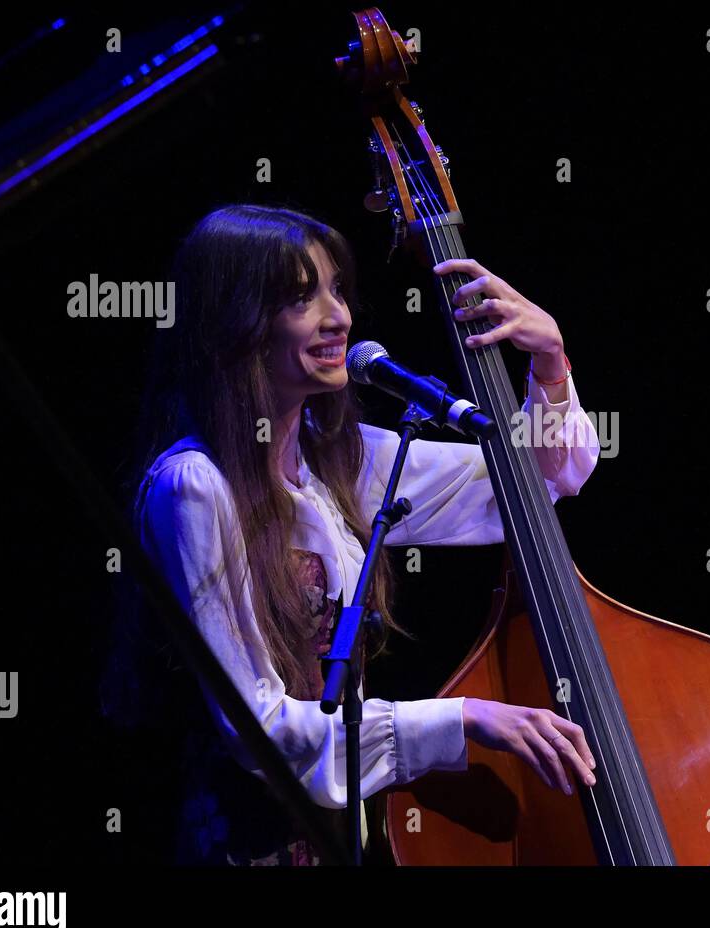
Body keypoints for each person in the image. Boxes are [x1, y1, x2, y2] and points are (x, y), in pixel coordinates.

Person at [131, 204, 599, 864]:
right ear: (238, 323)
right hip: (244, 844)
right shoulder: (193, 487)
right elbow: (257, 726)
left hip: (343, 834)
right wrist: (464, 717)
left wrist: (550, 362)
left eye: (337, 289)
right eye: (302, 297)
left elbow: (537, 485)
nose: (338, 317)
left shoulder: (340, 458)